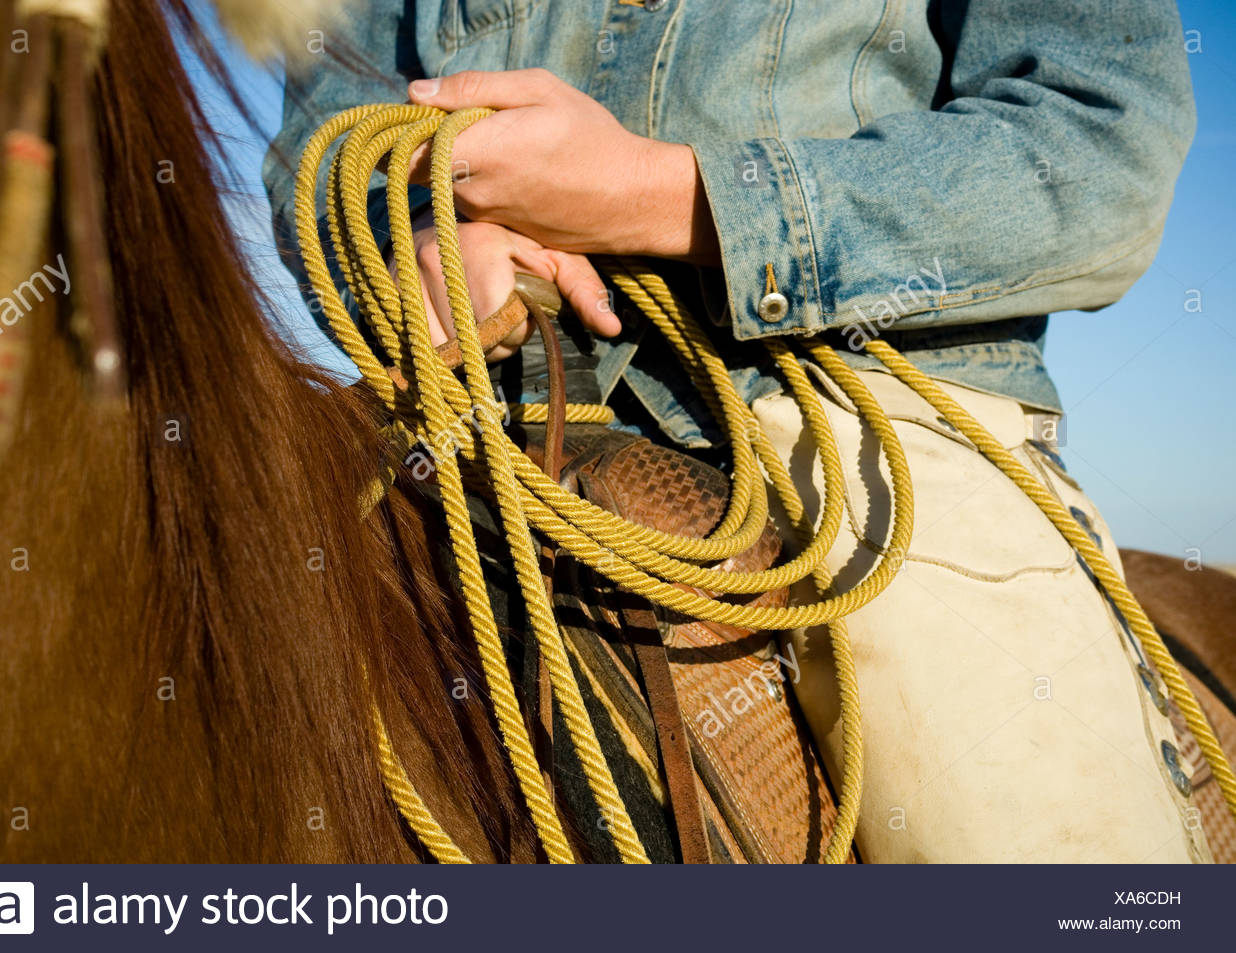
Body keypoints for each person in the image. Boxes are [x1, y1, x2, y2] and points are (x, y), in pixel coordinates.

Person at [265, 0, 1209, 863]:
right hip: (468, 400)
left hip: (857, 416)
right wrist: (415, 241)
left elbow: (1102, 139)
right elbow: (330, 125)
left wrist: (662, 195)